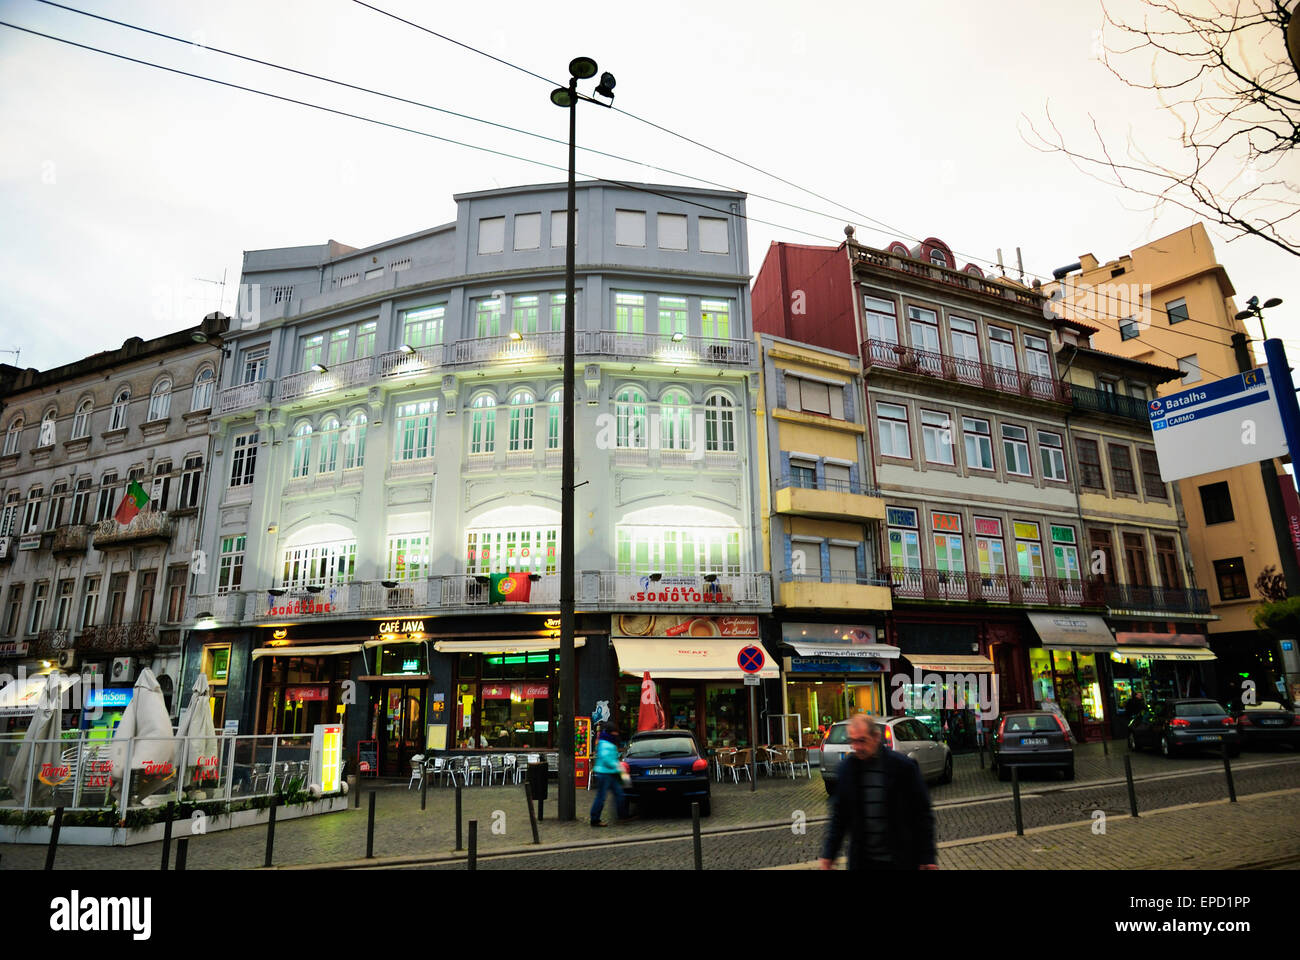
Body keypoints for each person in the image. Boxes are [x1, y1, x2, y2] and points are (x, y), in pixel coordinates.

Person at [819, 714, 938, 871]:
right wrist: (829, 854)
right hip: (863, 861)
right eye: (853, 741)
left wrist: (927, 856)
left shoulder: (903, 767)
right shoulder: (847, 770)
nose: (857, 747)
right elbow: (839, 816)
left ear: (875, 737)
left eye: (862, 740)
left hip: (900, 860)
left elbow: (922, 813)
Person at [589, 722, 628, 828]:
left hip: (610, 773)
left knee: (618, 794)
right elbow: (607, 759)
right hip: (605, 773)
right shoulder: (606, 743)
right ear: (611, 732)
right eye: (615, 731)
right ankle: (595, 819)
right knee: (601, 797)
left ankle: (622, 816)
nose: (617, 733)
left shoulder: (607, 741)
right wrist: (618, 766)